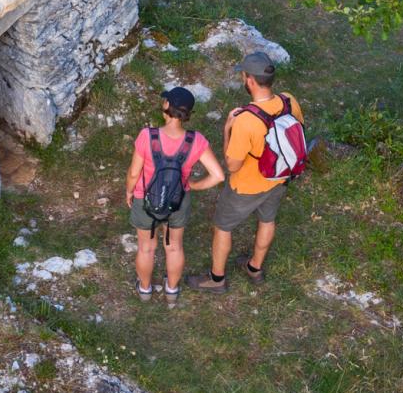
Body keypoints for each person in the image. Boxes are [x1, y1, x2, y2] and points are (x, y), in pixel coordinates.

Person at [190, 51, 303, 292]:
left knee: (222, 227)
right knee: (267, 220)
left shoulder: (246, 120)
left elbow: (232, 165)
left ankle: (216, 279)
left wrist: (227, 129)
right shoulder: (289, 101)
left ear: (249, 80)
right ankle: (254, 268)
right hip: (278, 178)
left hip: (246, 186)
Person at [125, 87, 225, 299]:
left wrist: (129, 191)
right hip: (179, 199)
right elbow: (218, 176)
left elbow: (134, 172)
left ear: (166, 106)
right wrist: (193, 185)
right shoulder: (196, 140)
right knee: (174, 247)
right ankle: (171, 290)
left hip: (145, 200)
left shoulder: (147, 136)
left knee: (145, 248)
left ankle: (144, 289)